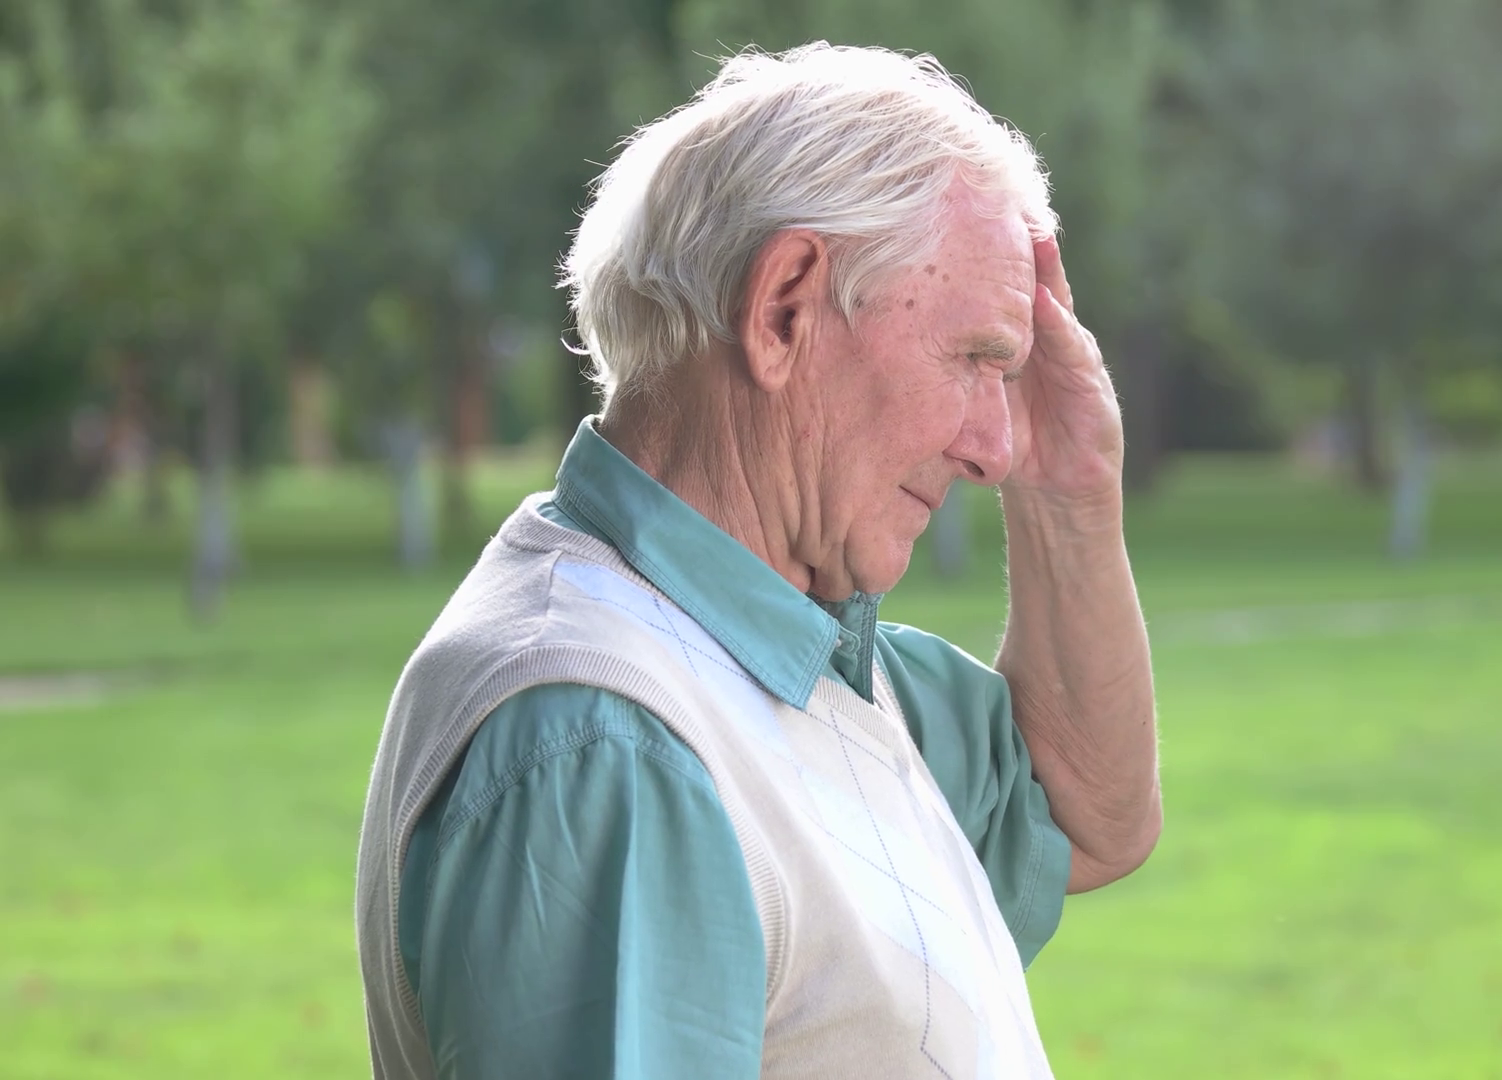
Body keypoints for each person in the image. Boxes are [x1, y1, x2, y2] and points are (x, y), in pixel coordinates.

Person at [355, 42, 1161, 1080]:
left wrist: (1070, 493)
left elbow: (1088, 817)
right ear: (785, 307)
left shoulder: (799, 657)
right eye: (973, 360)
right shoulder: (613, 740)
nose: (992, 448)